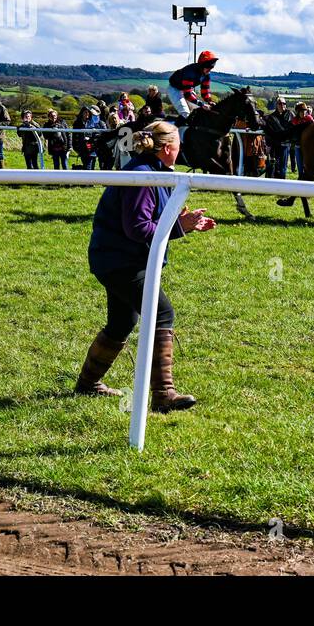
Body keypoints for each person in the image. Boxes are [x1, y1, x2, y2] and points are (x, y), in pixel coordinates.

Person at [77, 121, 215, 412]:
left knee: (121, 322)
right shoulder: (143, 175)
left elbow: (152, 218)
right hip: (121, 260)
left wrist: (186, 222)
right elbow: (137, 228)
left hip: (118, 257)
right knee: (162, 312)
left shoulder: (153, 171)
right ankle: (164, 394)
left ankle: (87, 384)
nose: (181, 150)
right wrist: (179, 227)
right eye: (179, 144)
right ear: (167, 148)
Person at [167, 50, 219, 127]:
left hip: (186, 90)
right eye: (208, 67)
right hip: (175, 89)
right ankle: (171, 133)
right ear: (202, 65)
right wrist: (201, 104)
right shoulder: (190, 72)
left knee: (198, 111)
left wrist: (209, 101)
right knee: (185, 113)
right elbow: (187, 94)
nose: (209, 70)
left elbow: (205, 90)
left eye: (211, 68)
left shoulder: (207, 75)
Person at [263, 97, 293, 179]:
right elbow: (268, 131)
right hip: (274, 145)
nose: (282, 105)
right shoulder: (271, 117)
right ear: (276, 105)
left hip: (285, 145)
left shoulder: (290, 114)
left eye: (284, 103)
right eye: (280, 103)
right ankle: (272, 186)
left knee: (282, 168)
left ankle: (281, 186)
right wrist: (268, 145)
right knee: (273, 166)